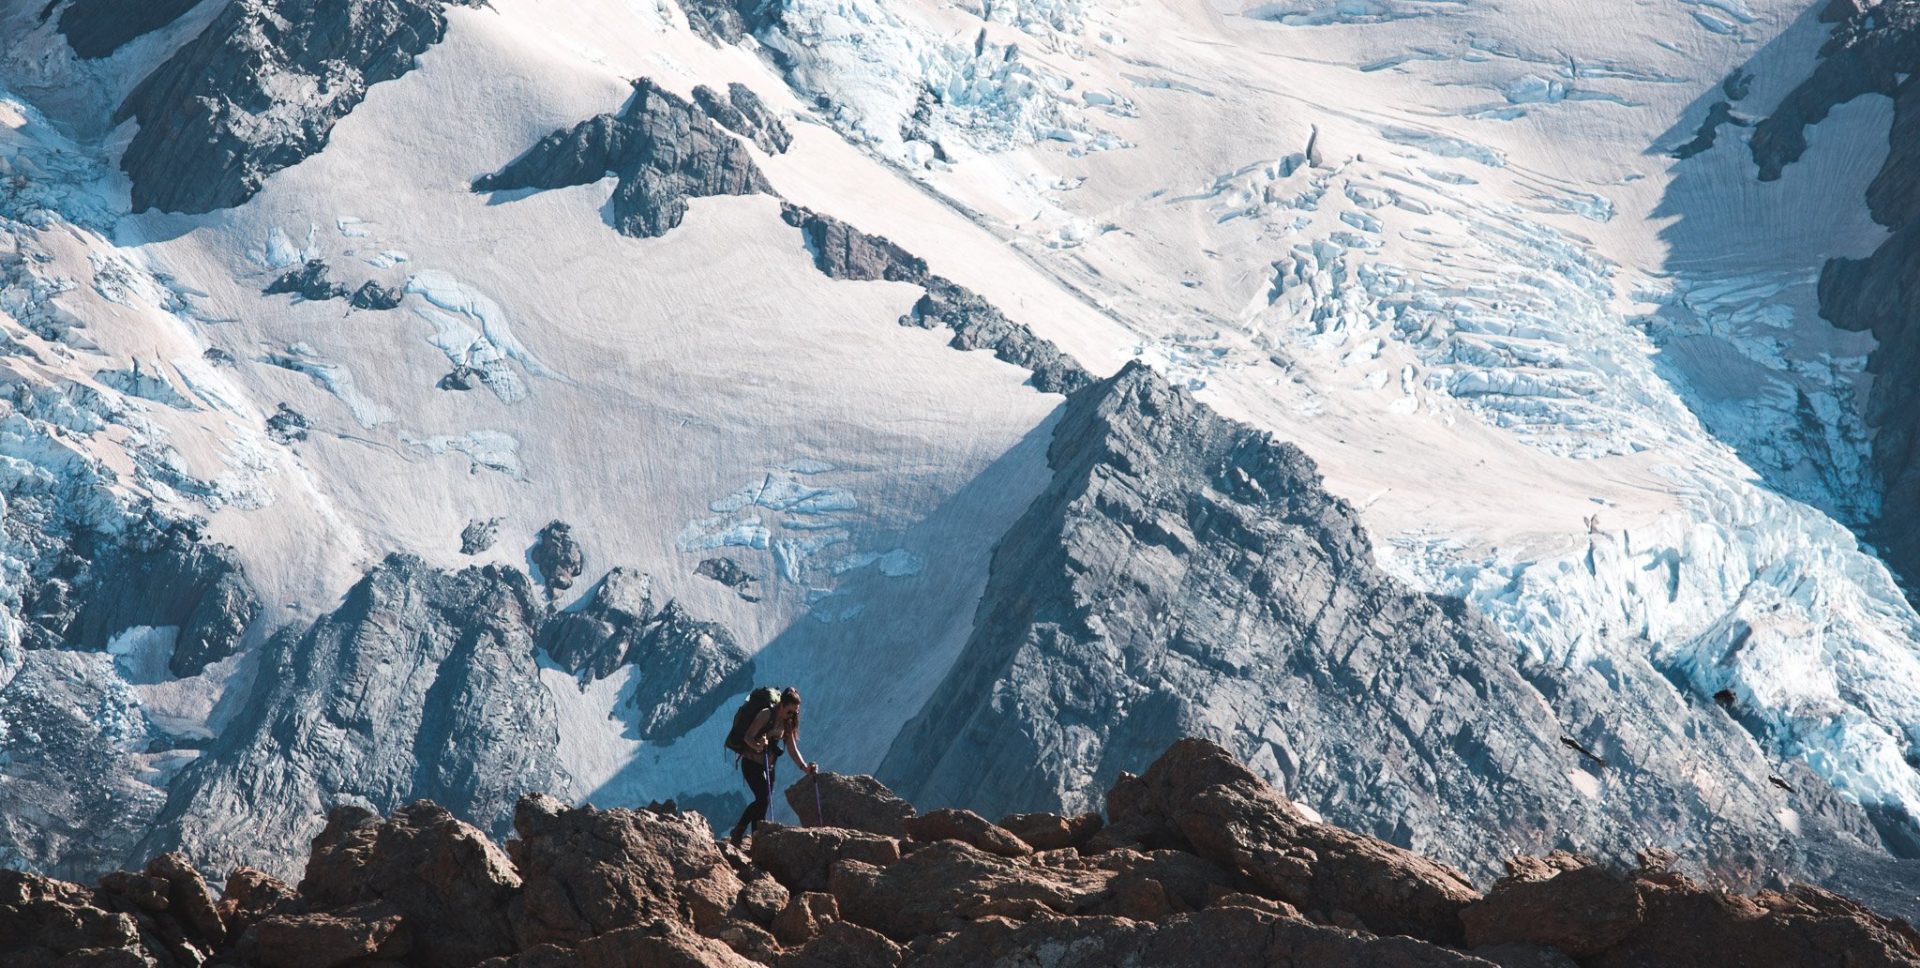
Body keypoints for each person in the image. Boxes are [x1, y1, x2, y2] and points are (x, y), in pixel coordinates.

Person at [729, 686, 815, 846]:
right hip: (751, 763)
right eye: (790, 711)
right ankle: (742, 831)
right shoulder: (766, 714)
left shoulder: (787, 723)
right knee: (762, 798)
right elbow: (748, 737)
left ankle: (752, 837)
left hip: (768, 767)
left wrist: (805, 768)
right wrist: (758, 746)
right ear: (782, 705)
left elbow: (792, 748)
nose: (793, 715)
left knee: (764, 801)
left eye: (795, 712)